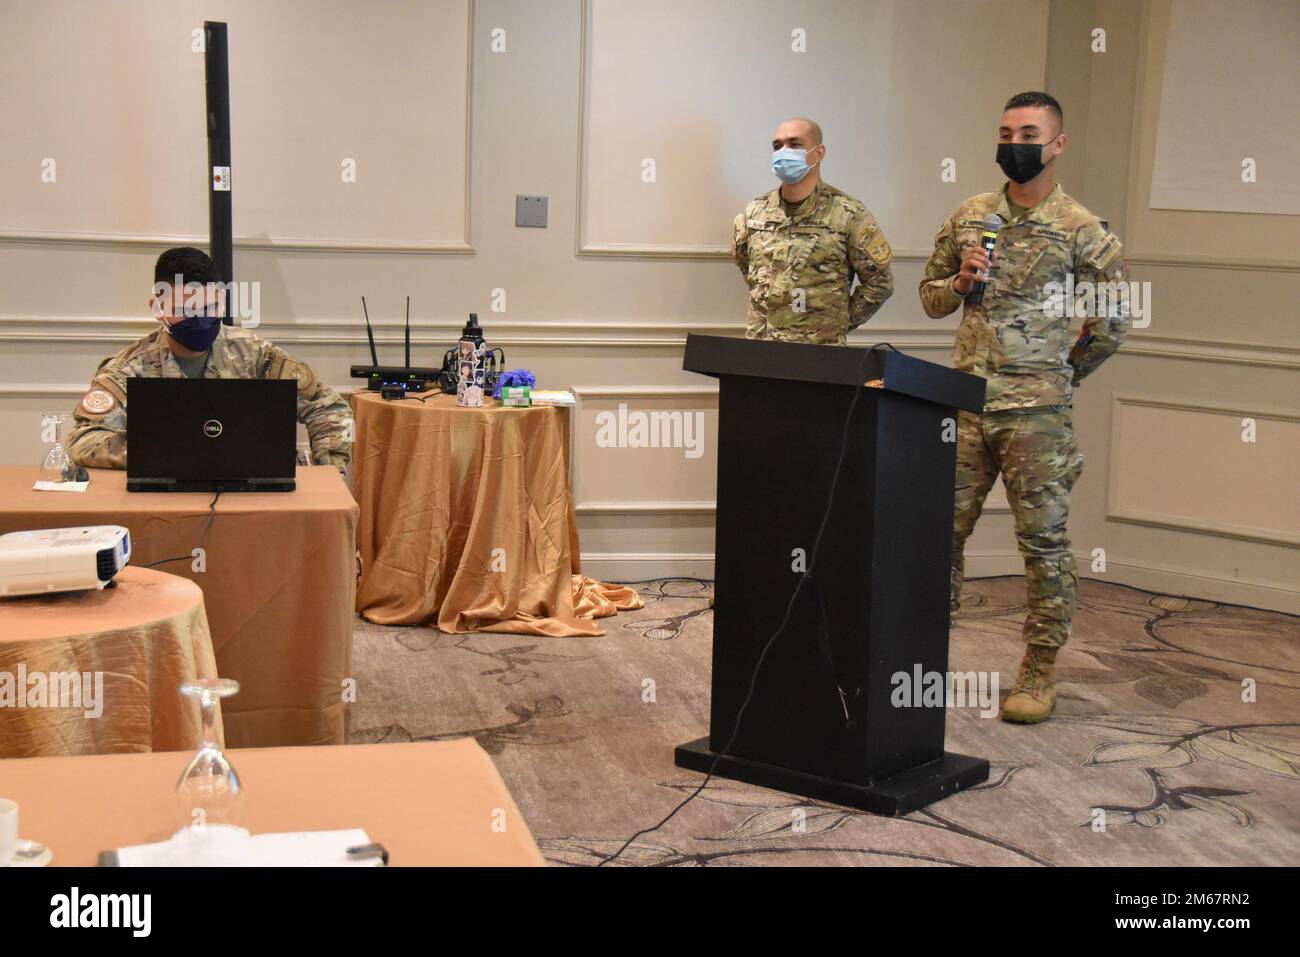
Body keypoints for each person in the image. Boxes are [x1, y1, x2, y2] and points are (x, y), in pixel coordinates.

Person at [918, 91, 1128, 723]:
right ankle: (922, 656)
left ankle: (1039, 669)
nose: (1016, 142)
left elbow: (1113, 321)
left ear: (1056, 144)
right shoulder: (970, 215)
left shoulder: (1081, 229)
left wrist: (1060, 375)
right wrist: (959, 282)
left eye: (1029, 132)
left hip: (1036, 415)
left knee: (1042, 543)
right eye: (1007, 130)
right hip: (966, 405)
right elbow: (930, 299)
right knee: (934, 535)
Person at [67, 247, 353, 472]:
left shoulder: (252, 353)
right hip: (166, 500)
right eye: (186, 309)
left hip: (252, 497)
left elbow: (328, 408)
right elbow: (83, 440)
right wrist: (164, 452)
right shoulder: (128, 368)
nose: (201, 319)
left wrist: (328, 476)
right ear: (157, 308)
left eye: (211, 307)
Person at [733, 117, 893, 344]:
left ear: (818, 153)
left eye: (795, 144)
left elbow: (880, 283)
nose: (784, 152)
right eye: (777, 146)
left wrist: (836, 322)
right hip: (761, 350)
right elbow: (748, 269)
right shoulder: (755, 213)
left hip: (820, 356)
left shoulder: (848, 214)